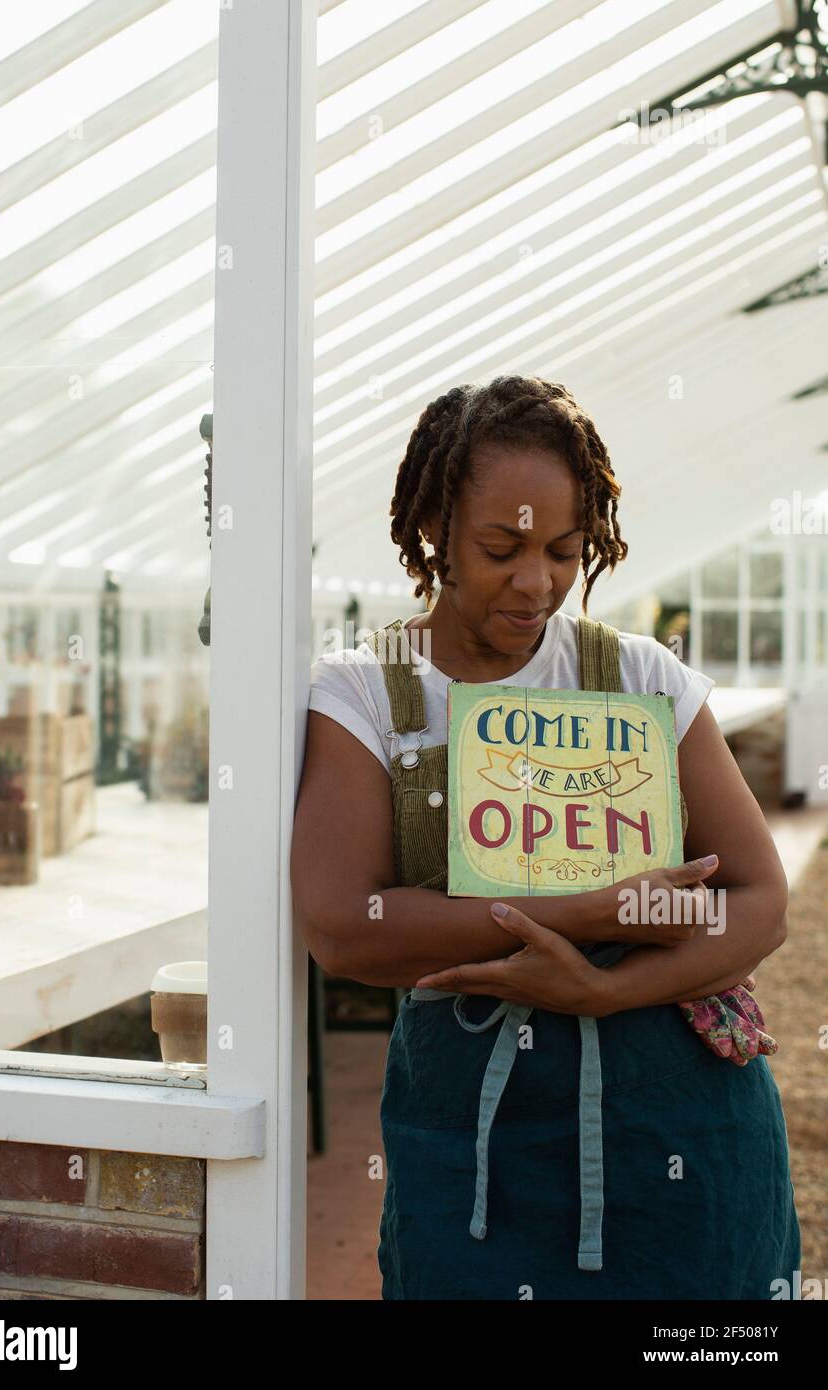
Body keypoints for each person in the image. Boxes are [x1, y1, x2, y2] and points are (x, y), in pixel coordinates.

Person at [291, 374, 801, 1300]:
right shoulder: (369, 691)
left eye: (565, 550)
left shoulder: (640, 677)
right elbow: (343, 925)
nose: (538, 582)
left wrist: (603, 989)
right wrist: (582, 912)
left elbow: (762, 905)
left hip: (682, 1137)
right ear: (434, 527)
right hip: (479, 1156)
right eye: (501, 547)